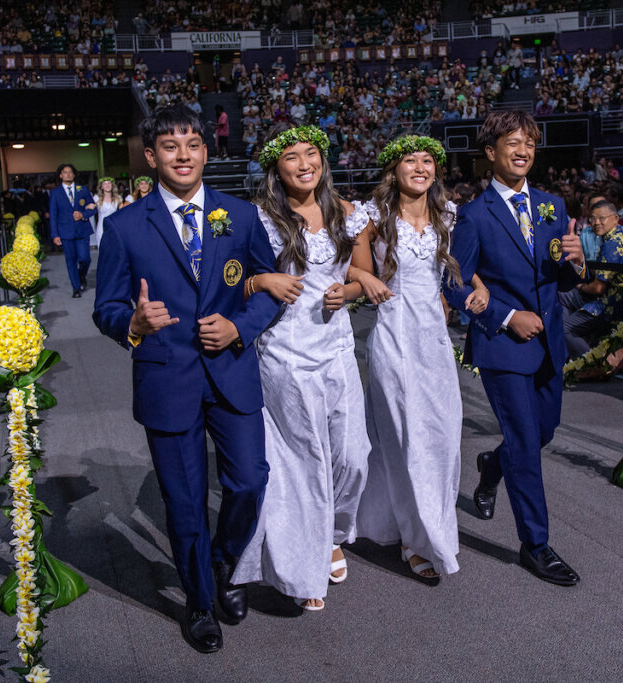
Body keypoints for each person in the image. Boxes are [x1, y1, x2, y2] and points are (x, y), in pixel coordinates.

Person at [93, 103, 280, 653]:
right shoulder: (125, 225)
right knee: (184, 502)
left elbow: (269, 288)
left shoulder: (239, 215)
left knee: (250, 481)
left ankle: (224, 560)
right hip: (166, 380)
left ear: (205, 151)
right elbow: (106, 307)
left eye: (193, 144)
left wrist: (239, 327)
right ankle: (199, 601)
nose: (183, 155)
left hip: (231, 374)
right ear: (151, 157)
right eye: (170, 147)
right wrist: (131, 323)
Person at [443, 110, 587, 587]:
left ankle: (491, 465)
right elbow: (454, 284)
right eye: (512, 142)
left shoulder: (552, 204)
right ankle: (535, 545)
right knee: (525, 444)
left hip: (550, 343)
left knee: (543, 432)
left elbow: (562, 278)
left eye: (529, 142)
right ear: (491, 153)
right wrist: (506, 316)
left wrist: (577, 264)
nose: (523, 150)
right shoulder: (474, 214)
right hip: (503, 346)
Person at [232, 124, 373, 611]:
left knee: (353, 454)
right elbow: (232, 284)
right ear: (276, 167)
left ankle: (331, 531)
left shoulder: (347, 214)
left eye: (310, 153)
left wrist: (347, 291)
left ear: (322, 159)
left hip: (336, 347)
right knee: (303, 458)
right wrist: (262, 282)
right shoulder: (259, 219)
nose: (303, 163)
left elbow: (362, 275)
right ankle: (303, 562)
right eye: (291, 156)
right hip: (284, 351)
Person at [348, 135, 487, 580]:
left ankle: (427, 525)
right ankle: (416, 538)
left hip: (435, 342)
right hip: (394, 336)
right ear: (394, 170)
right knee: (405, 439)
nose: (421, 167)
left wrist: (479, 286)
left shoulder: (448, 215)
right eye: (411, 160)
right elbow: (345, 263)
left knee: (441, 437)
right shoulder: (372, 216)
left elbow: (460, 266)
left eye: (428, 160)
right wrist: (364, 279)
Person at [561, 199, 623, 361]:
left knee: (564, 326)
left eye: (602, 218)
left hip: (610, 305)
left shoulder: (612, 244)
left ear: (615, 218)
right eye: (593, 219)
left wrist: (581, 287)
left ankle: (590, 364)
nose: (596, 223)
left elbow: (598, 288)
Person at [48, 163, 97, 297]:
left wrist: (83, 215)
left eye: (70, 172)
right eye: (65, 172)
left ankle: (81, 276)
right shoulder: (55, 193)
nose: (68, 174)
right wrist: (55, 235)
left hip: (82, 229)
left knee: (85, 258)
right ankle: (76, 288)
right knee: (71, 260)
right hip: (65, 231)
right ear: (60, 175)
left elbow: (93, 208)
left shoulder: (83, 190)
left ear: (74, 175)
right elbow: (53, 215)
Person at [92, 176, 120, 247]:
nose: (107, 185)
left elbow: (123, 211)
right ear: (101, 187)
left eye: (109, 183)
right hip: (101, 226)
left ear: (112, 186)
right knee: (102, 247)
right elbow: (88, 207)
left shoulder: (118, 199)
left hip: (114, 226)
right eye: (105, 184)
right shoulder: (96, 198)